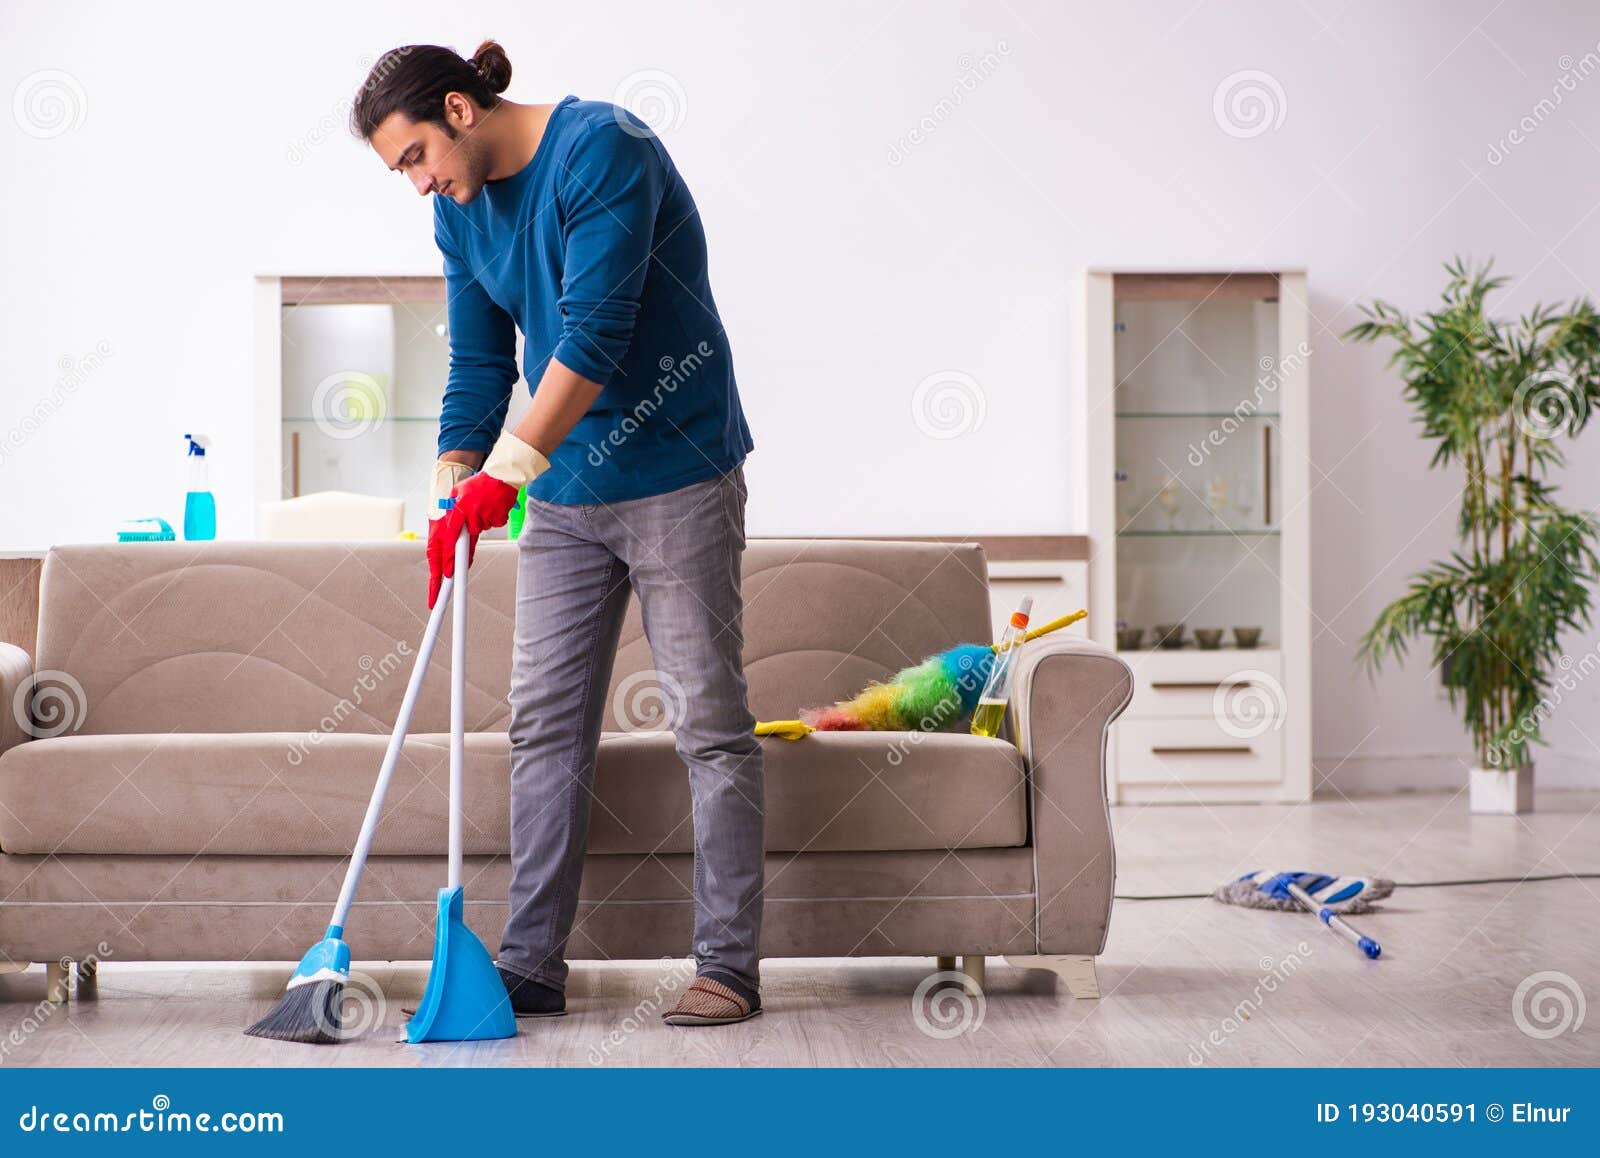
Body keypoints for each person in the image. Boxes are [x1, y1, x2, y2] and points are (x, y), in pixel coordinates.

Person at [351, 40, 765, 1026]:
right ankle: (531, 964)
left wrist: (505, 479)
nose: (418, 186)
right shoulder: (462, 212)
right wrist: (455, 486)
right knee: (542, 726)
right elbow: (481, 365)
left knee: (707, 728)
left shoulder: (604, 148)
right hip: (569, 492)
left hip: (678, 469)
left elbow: (592, 336)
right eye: (399, 173)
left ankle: (728, 966)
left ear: (458, 109)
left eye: (413, 158)